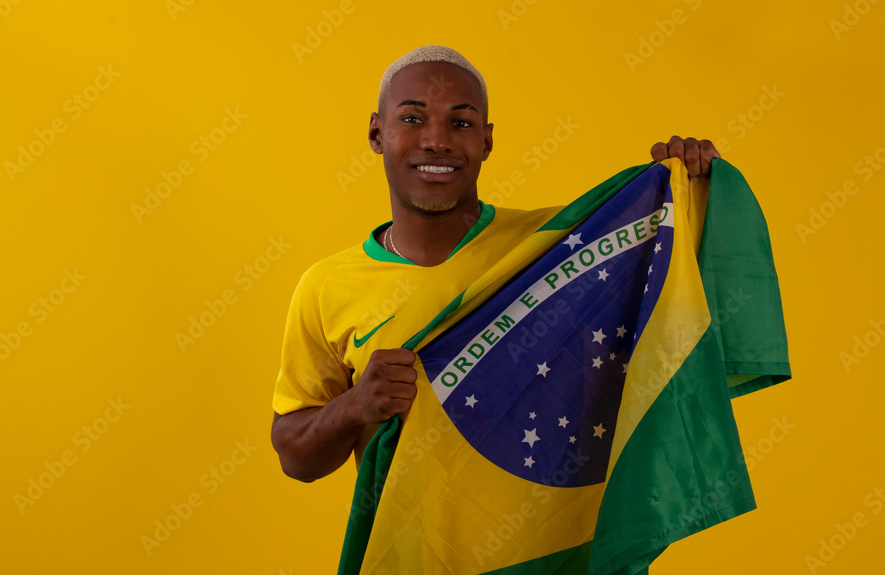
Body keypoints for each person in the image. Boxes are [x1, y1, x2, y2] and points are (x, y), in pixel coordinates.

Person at [270, 45, 719, 483]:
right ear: (376, 134)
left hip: (547, 550)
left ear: (486, 141)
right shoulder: (326, 286)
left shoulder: (558, 245)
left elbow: (678, 277)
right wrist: (354, 406)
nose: (437, 140)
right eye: (411, 119)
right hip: (410, 556)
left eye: (460, 122)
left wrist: (690, 186)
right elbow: (296, 460)